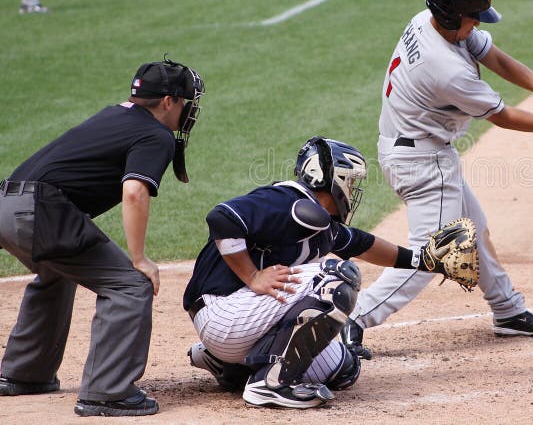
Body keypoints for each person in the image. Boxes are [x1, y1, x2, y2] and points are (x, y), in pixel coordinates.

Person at [340, 0, 533, 360]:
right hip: (422, 160)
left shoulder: (426, 21)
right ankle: (351, 321)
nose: (477, 23)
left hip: (415, 148)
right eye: (472, 17)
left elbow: (494, 57)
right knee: (432, 253)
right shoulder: (446, 70)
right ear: (451, 16)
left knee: (473, 229)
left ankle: (508, 311)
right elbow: (503, 116)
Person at [183, 136, 464, 409]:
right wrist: (253, 276)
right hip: (223, 312)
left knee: (345, 369)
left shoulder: (320, 222)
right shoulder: (287, 200)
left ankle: (229, 366)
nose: (352, 191)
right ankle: (270, 384)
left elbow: (363, 244)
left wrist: (425, 259)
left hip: (242, 328)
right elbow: (222, 218)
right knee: (337, 279)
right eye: (350, 181)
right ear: (332, 178)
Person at [0, 58, 205, 417]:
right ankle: (106, 393)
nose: (188, 110)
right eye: (185, 101)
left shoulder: (116, 115)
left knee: (57, 271)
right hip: (38, 211)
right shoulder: (156, 135)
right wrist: (139, 259)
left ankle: (24, 373)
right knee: (129, 284)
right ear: (169, 101)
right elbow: (134, 192)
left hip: (7, 202)